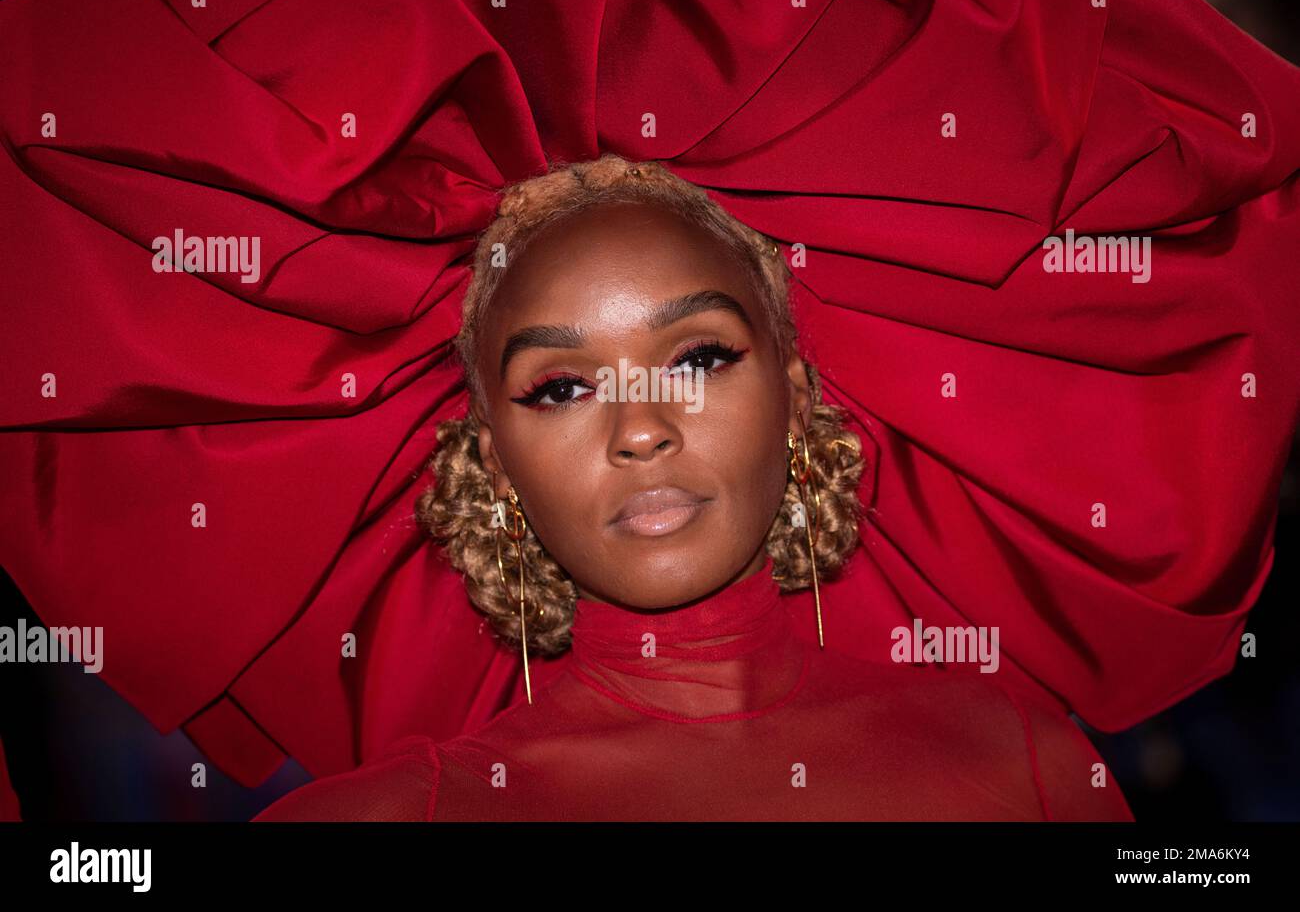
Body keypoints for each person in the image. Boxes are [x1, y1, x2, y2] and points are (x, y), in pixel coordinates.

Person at [253, 155, 1134, 820]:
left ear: (792, 398)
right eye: (562, 387)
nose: (641, 430)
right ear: (496, 467)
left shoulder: (1024, 763)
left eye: (698, 359)